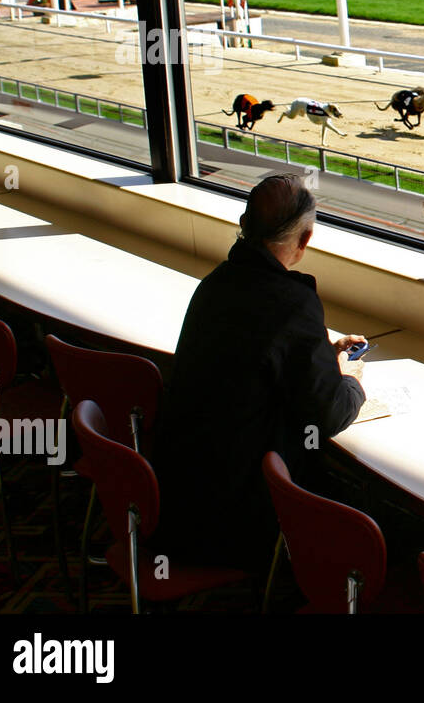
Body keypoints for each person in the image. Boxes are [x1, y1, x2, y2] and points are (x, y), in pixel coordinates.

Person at [152, 174, 366, 573]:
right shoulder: (293, 303)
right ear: (304, 240)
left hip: (179, 493)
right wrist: (349, 378)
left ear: (245, 226)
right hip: (236, 510)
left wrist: (321, 356)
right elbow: (330, 415)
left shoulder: (216, 283)